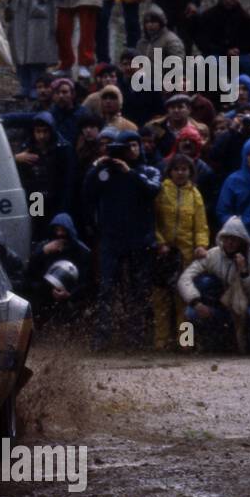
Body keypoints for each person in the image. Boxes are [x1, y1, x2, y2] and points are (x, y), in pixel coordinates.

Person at [82, 128, 161, 349]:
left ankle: (139, 338)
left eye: (136, 145)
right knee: (107, 288)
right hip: (111, 239)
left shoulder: (149, 170)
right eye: (127, 147)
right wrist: (97, 166)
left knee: (139, 290)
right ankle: (103, 338)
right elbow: (87, 192)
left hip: (139, 240)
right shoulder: (106, 172)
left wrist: (130, 172)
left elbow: (152, 190)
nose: (132, 150)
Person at [178, 215, 250, 353]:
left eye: (234, 239)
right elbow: (184, 279)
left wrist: (244, 273)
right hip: (220, 307)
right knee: (189, 312)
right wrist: (196, 302)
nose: (230, 243)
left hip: (244, 309)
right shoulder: (212, 255)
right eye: (227, 239)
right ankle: (187, 345)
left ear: (242, 241)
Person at [152, 152, 209, 349]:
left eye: (184, 169)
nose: (180, 173)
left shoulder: (195, 194)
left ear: (190, 172)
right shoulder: (160, 191)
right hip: (163, 253)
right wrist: (159, 243)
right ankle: (161, 342)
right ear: (170, 171)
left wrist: (201, 245)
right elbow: (154, 221)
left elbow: (201, 225)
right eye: (176, 169)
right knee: (161, 300)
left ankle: (186, 341)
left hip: (185, 254)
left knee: (185, 299)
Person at [15, 112, 76, 241]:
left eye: (45, 132)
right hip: (36, 196)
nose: (41, 136)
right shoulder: (28, 149)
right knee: (38, 230)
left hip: (57, 197)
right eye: (38, 132)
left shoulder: (63, 148)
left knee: (58, 230)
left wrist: (64, 206)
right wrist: (16, 159)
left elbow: (68, 180)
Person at [26, 212, 92, 321]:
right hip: (46, 294)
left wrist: (69, 295)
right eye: (57, 230)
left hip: (71, 295)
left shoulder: (81, 252)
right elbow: (30, 272)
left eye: (63, 230)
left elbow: (86, 282)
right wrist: (43, 251)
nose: (60, 234)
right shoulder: (45, 247)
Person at [216, 136, 250, 236]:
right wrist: (236, 228)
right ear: (244, 156)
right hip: (239, 236)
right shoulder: (233, 180)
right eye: (249, 154)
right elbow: (222, 211)